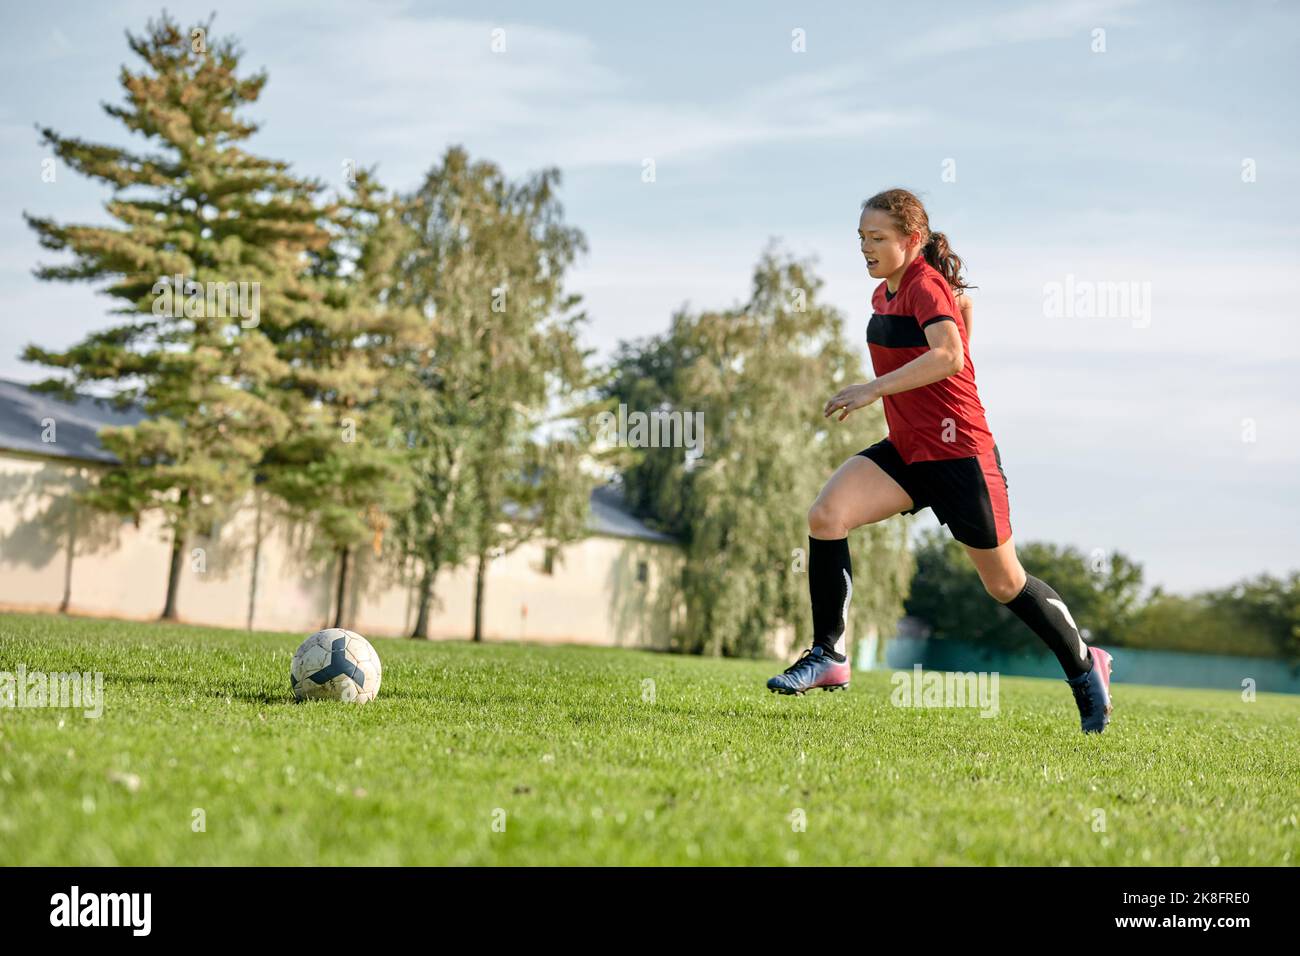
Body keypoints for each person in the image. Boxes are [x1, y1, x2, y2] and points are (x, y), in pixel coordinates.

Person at [766, 188, 1113, 734]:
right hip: (908, 450)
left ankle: (1084, 663)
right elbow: (964, 311)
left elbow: (949, 354)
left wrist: (872, 389)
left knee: (1004, 583)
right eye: (861, 238)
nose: (866, 248)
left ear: (913, 240)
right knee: (826, 515)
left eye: (878, 238)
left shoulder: (924, 286)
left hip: (961, 456)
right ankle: (828, 655)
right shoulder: (886, 293)